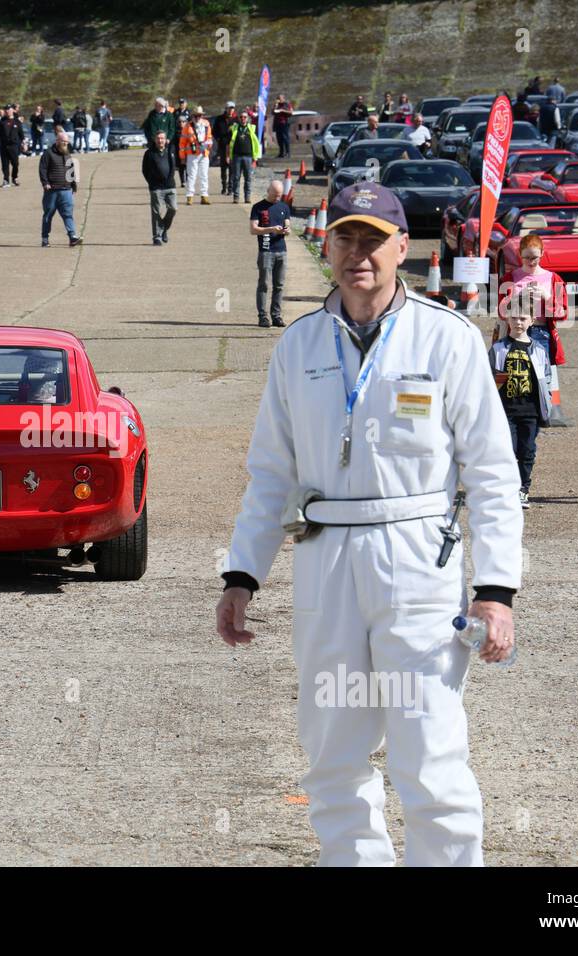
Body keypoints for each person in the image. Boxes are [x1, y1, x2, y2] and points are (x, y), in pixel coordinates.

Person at [216, 182, 522, 867]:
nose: (360, 254)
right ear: (326, 245)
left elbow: (494, 472)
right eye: (347, 238)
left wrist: (496, 590)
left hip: (419, 560)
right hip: (325, 558)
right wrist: (242, 574)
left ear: (400, 248)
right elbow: (270, 472)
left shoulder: (446, 339)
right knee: (332, 749)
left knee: (428, 749)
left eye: (374, 240)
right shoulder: (299, 347)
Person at [490, 306, 551, 509]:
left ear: (532, 321)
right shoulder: (498, 348)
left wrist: (546, 404)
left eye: (523, 318)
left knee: (527, 451)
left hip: (531, 411)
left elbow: (546, 380)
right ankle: (508, 487)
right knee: (507, 451)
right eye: (514, 318)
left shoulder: (540, 350)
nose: (518, 322)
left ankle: (523, 488)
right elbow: (488, 378)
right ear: (507, 319)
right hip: (506, 410)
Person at [497, 234, 568, 370]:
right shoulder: (508, 278)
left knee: (542, 378)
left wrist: (546, 296)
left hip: (541, 332)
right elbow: (502, 312)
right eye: (526, 258)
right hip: (515, 332)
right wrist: (518, 299)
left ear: (542, 253)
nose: (531, 262)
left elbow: (562, 313)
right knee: (517, 376)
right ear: (519, 254)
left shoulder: (554, 278)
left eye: (534, 257)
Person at [250, 179, 291, 328]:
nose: (277, 198)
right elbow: (253, 229)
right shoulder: (258, 208)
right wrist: (271, 229)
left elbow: (288, 226)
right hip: (266, 251)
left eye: (279, 196)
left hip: (281, 250)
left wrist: (286, 230)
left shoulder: (284, 207)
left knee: (279, 285)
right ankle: (262, 316)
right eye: (275, 195)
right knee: (264, 284)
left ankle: (276, 316)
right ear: (268, 191)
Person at [38, 131, 83, 248]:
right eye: (63, 141)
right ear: (57, 141)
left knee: (68, 214)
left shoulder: (67, 154)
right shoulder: (48, 154)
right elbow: (42, 169)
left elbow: (71, 170)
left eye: (66, 142)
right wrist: (45, 183)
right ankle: (45, 238)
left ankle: (72, 237)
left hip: (66, 190)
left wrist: (73, 185)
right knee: (48, 215)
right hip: (51, 191)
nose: (65, 143)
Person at [142, 130, 177, 246]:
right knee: (156, 212)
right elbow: (145, 170)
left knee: (173, 209)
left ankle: (163, 229)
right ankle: (157, 236)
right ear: (155, 140)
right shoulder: (149, 153)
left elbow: (173, 166)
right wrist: (152, 183)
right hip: (156, 188)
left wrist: (170, 180)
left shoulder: (170, 151)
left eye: (162, 138)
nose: (160, 140)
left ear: (165, 139)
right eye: (158, 138)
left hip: (170, 186)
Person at [180, 106, 213, 204]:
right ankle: (189, 196)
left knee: (204, 175)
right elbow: (182, 143)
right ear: (193, 116)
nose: (198, 117)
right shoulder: (187, 126)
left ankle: (204, 196)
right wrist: (182, 156)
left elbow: (210, 137)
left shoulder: (206, 124)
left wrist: (208, 145)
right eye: (196, 115)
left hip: (204, 153)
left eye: (200, 115)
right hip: (192, 154)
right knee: (192, 175)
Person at [227, 110, 260, 204]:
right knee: (236, 177)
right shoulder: (234, 128)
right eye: (241, 117)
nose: (243, 119)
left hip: (248, 157)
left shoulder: (252, 128)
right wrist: (228, 156)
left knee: (248, 178)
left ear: (248, 119)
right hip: (236, 156)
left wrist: (255, 157)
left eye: (245, 117)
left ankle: (247, 197)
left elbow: (256, 143)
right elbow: (228, 143)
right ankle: (236, 197)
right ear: (238, 118)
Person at [0, 105, 24, 188]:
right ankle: (6, 180)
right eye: (6, 110)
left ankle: (14, 177)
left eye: (9, 109)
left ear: (12, 110)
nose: (7, 111)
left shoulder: (17, 121)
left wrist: (23, 143)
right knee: (5, 164)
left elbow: (21, 134)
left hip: (14, 146)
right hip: (4, 146)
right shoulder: (2, 121)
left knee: (15, 163)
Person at [213, 102, 236, 195]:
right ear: (226, 109)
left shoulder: (236, 119)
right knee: (223, 167)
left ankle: (230, 188)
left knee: (231, 168)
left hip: (232, 147)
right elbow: (214, 131)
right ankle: (224, 186)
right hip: (222, 146)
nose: (231, 110)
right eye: (229, 108)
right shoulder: (219, 119)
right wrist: (219, 139)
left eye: (232, 108)